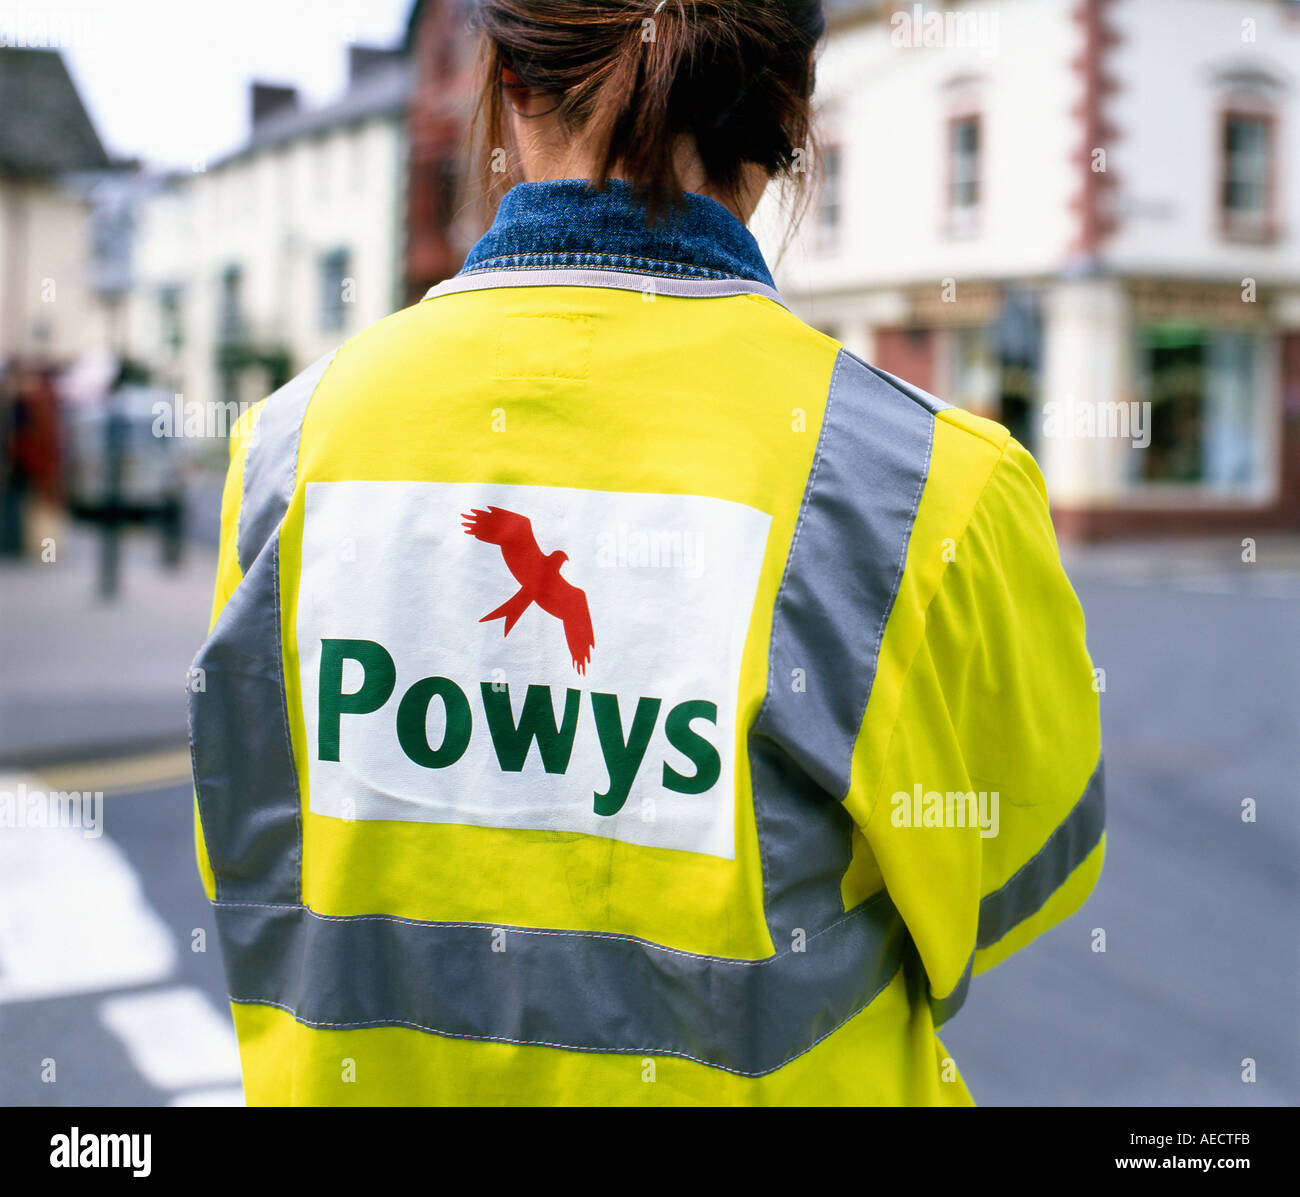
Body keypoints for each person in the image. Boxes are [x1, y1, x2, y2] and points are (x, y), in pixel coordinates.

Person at [189, 0, 1105, 1106]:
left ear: (509, 85)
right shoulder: (931, 487)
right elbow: (1012, 873)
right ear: (786, 116)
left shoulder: (292, 445)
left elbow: (243, 847)